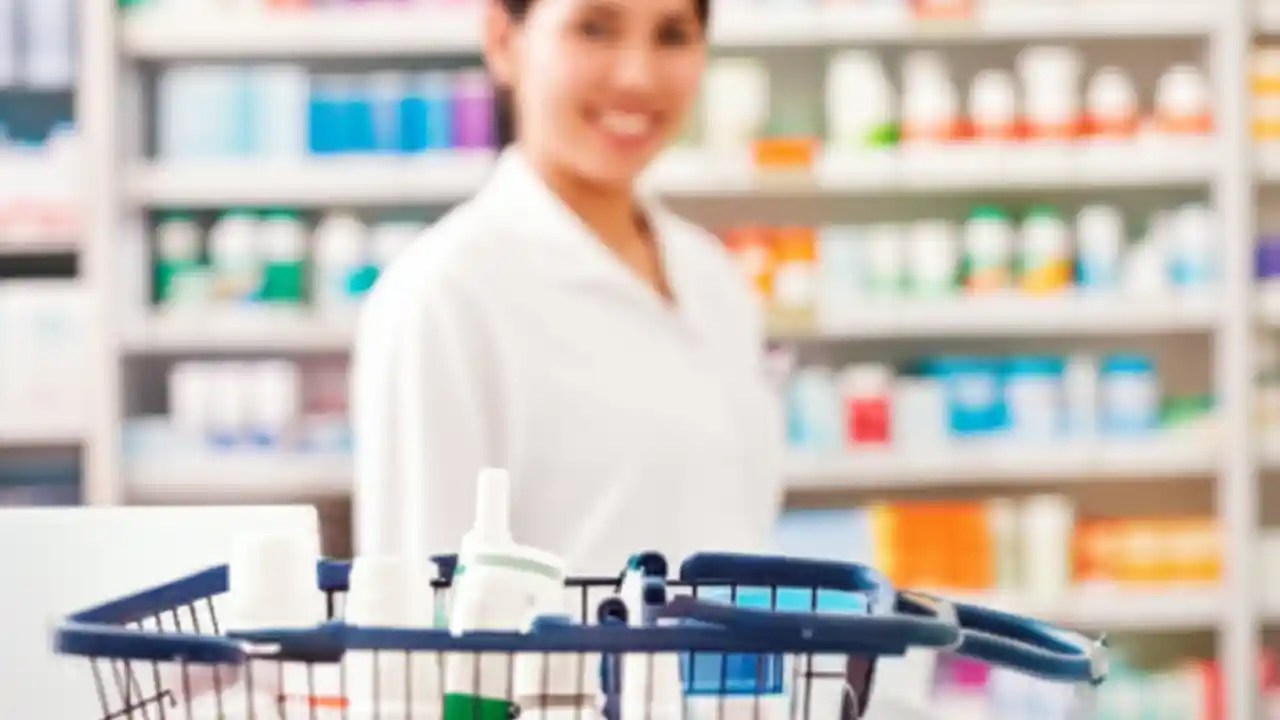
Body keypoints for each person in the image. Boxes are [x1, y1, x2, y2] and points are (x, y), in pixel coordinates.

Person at [352, 0, 783, 574]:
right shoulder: (443, 297)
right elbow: (410, 627)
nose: (638, 75)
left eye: (673, 34)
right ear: (505, 41)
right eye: (594, 28)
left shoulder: (714, 280)